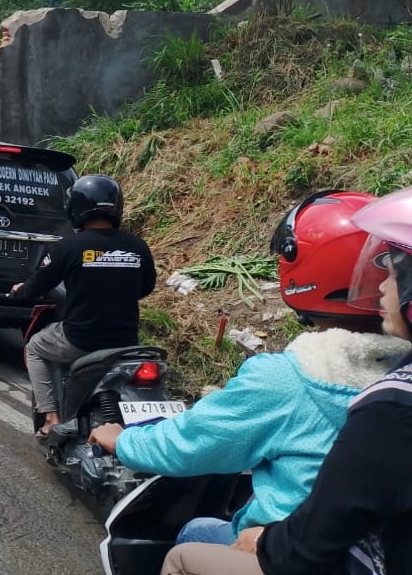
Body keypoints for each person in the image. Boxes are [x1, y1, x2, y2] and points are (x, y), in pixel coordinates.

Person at [90, 191, 407, 546]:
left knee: (194, 536)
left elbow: (191, 443)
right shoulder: (399, 378)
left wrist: (124, 440)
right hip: (373, 549)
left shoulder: (289, 378)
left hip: (289, 549)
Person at [10, 174, 156, 437]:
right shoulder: (139, 247)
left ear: (75, 208)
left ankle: (52, 417)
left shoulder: (69, 246)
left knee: (34, 348)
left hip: (80, 340)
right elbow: (145, 288)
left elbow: (35, 287)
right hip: (126, 342)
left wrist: (21, 291)